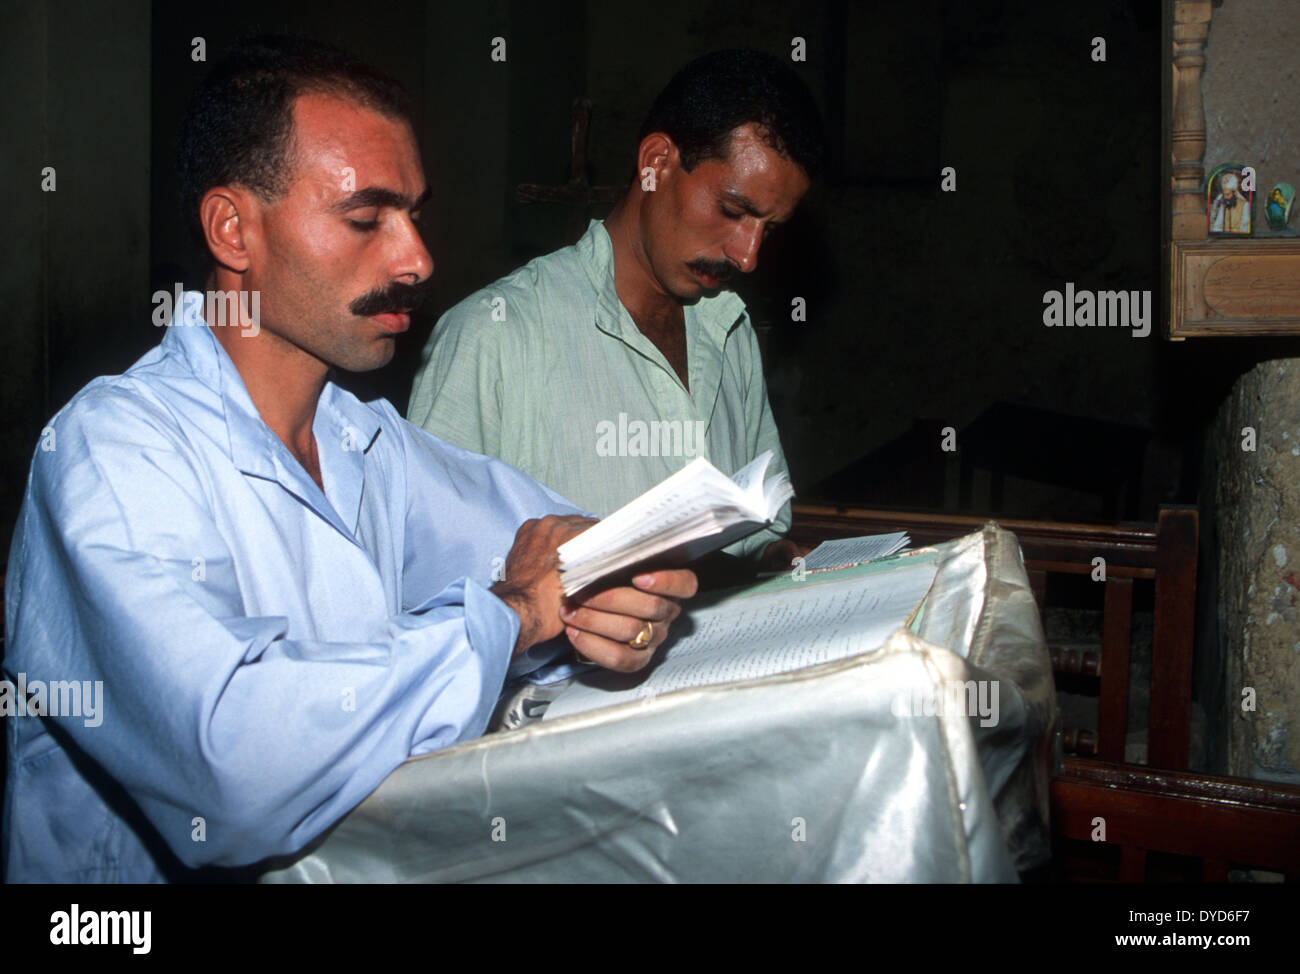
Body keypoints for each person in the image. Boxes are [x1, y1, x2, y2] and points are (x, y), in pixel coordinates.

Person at [1, 35, 696, 883]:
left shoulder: (366, 441)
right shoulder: (113, 454)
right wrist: (512, 617)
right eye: (365, 218)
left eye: (413, 214)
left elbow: (560, 544)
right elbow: (232, 768)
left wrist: (613, 589)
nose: (417, 260)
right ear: (232, 228)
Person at [407, 50, 824, 572]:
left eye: (771, 227)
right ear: (656, 164)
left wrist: (771, 555)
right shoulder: (495, 335)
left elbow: (755, 524)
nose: (748, 255)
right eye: (733, 211)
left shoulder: (728, 328)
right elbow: (428, 574)